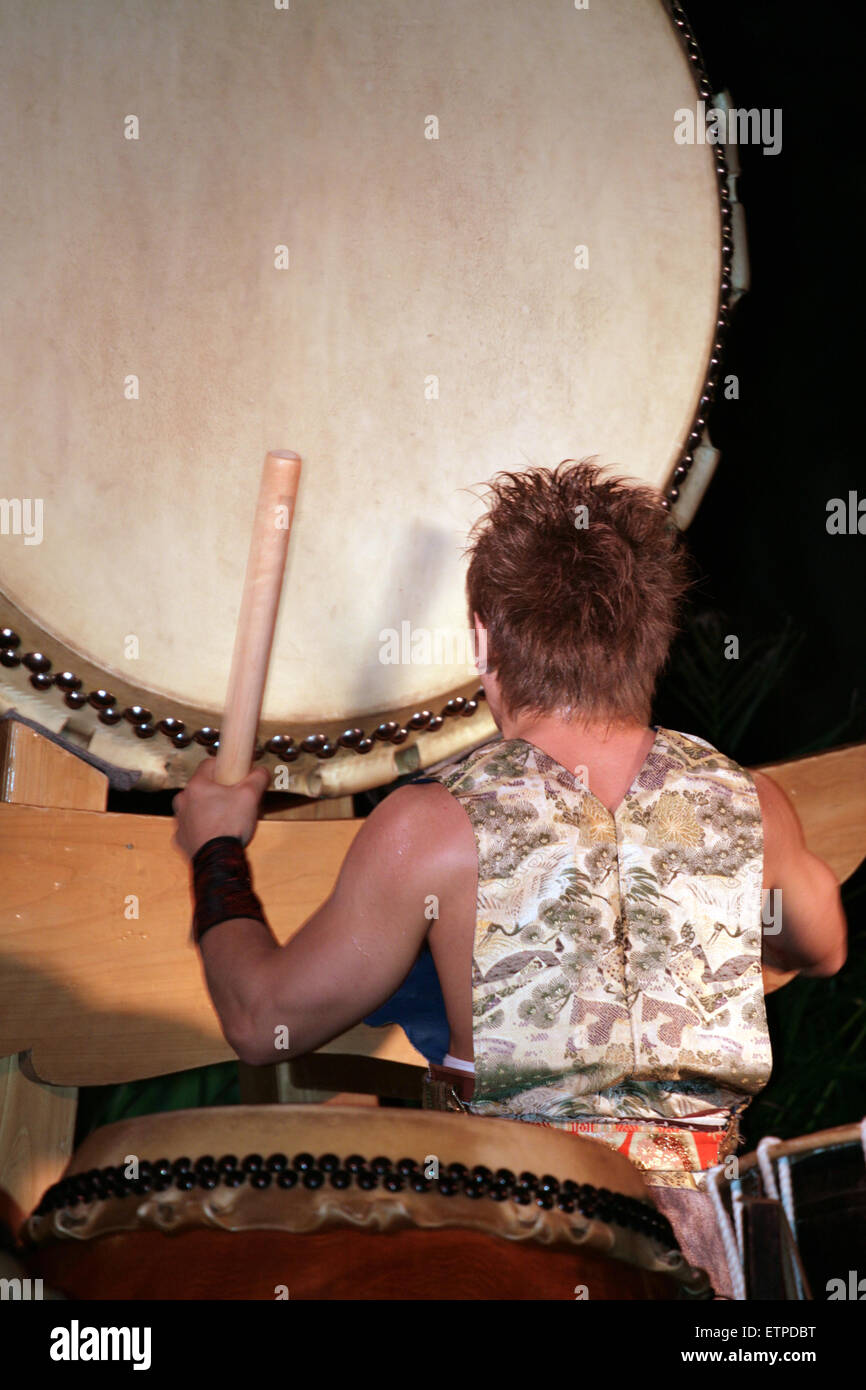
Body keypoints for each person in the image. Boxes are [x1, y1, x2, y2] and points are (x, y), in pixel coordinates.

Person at [172, 460, 847, 1297]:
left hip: (525, 1256)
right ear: (655, 638)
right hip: (719, 1271)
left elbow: (259, 1018)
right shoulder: (753, 806)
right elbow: (822, 947)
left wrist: (215, 851)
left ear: (484, 640)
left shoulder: (433, 831)